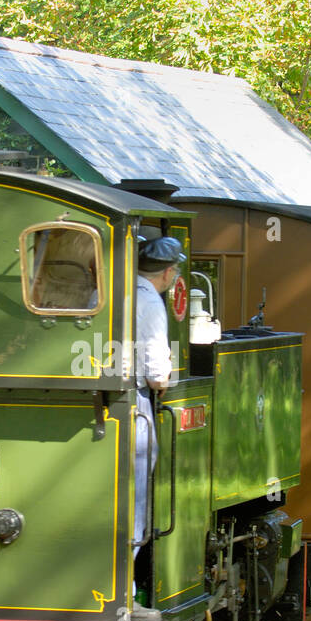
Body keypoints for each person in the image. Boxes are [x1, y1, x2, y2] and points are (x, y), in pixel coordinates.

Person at [134, 235, 185, 564]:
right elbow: (156, 375)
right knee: (136, 495)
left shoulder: (107, 290)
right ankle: (127, 577)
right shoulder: (150, 301)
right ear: (168, 272)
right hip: (133, 402)